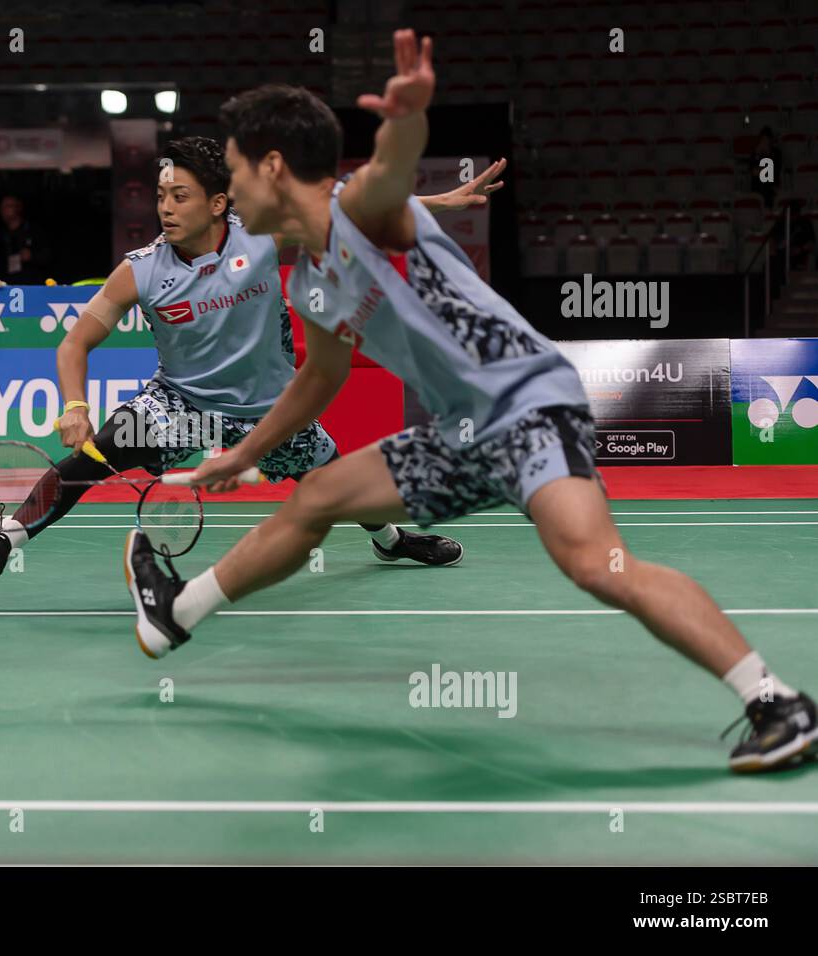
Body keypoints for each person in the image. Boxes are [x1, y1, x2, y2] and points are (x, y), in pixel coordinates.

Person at [122, 32, 814, 774]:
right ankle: (177, 610)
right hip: (457, 433)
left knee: (598, 565)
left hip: (525, 407)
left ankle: (776, 702)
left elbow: (390, 166)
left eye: (231, 172)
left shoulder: (362, 211)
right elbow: (317, 383)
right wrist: (247, 453)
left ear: (272, 167)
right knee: (318, 497)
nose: (227, 192)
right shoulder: (307, 282)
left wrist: (410, 117)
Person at [0, 135, 505, 596]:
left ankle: (390, 541)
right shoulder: (139, 271)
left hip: (270, 413)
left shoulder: (262, 236)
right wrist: (75, 405)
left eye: (181, 196)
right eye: (163, 195)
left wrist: (443, 202)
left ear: (218, 204)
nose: (165, 207)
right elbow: (74, 345)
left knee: (338, 486)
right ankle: (3, 540)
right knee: (94, 455)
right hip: (179, 407)